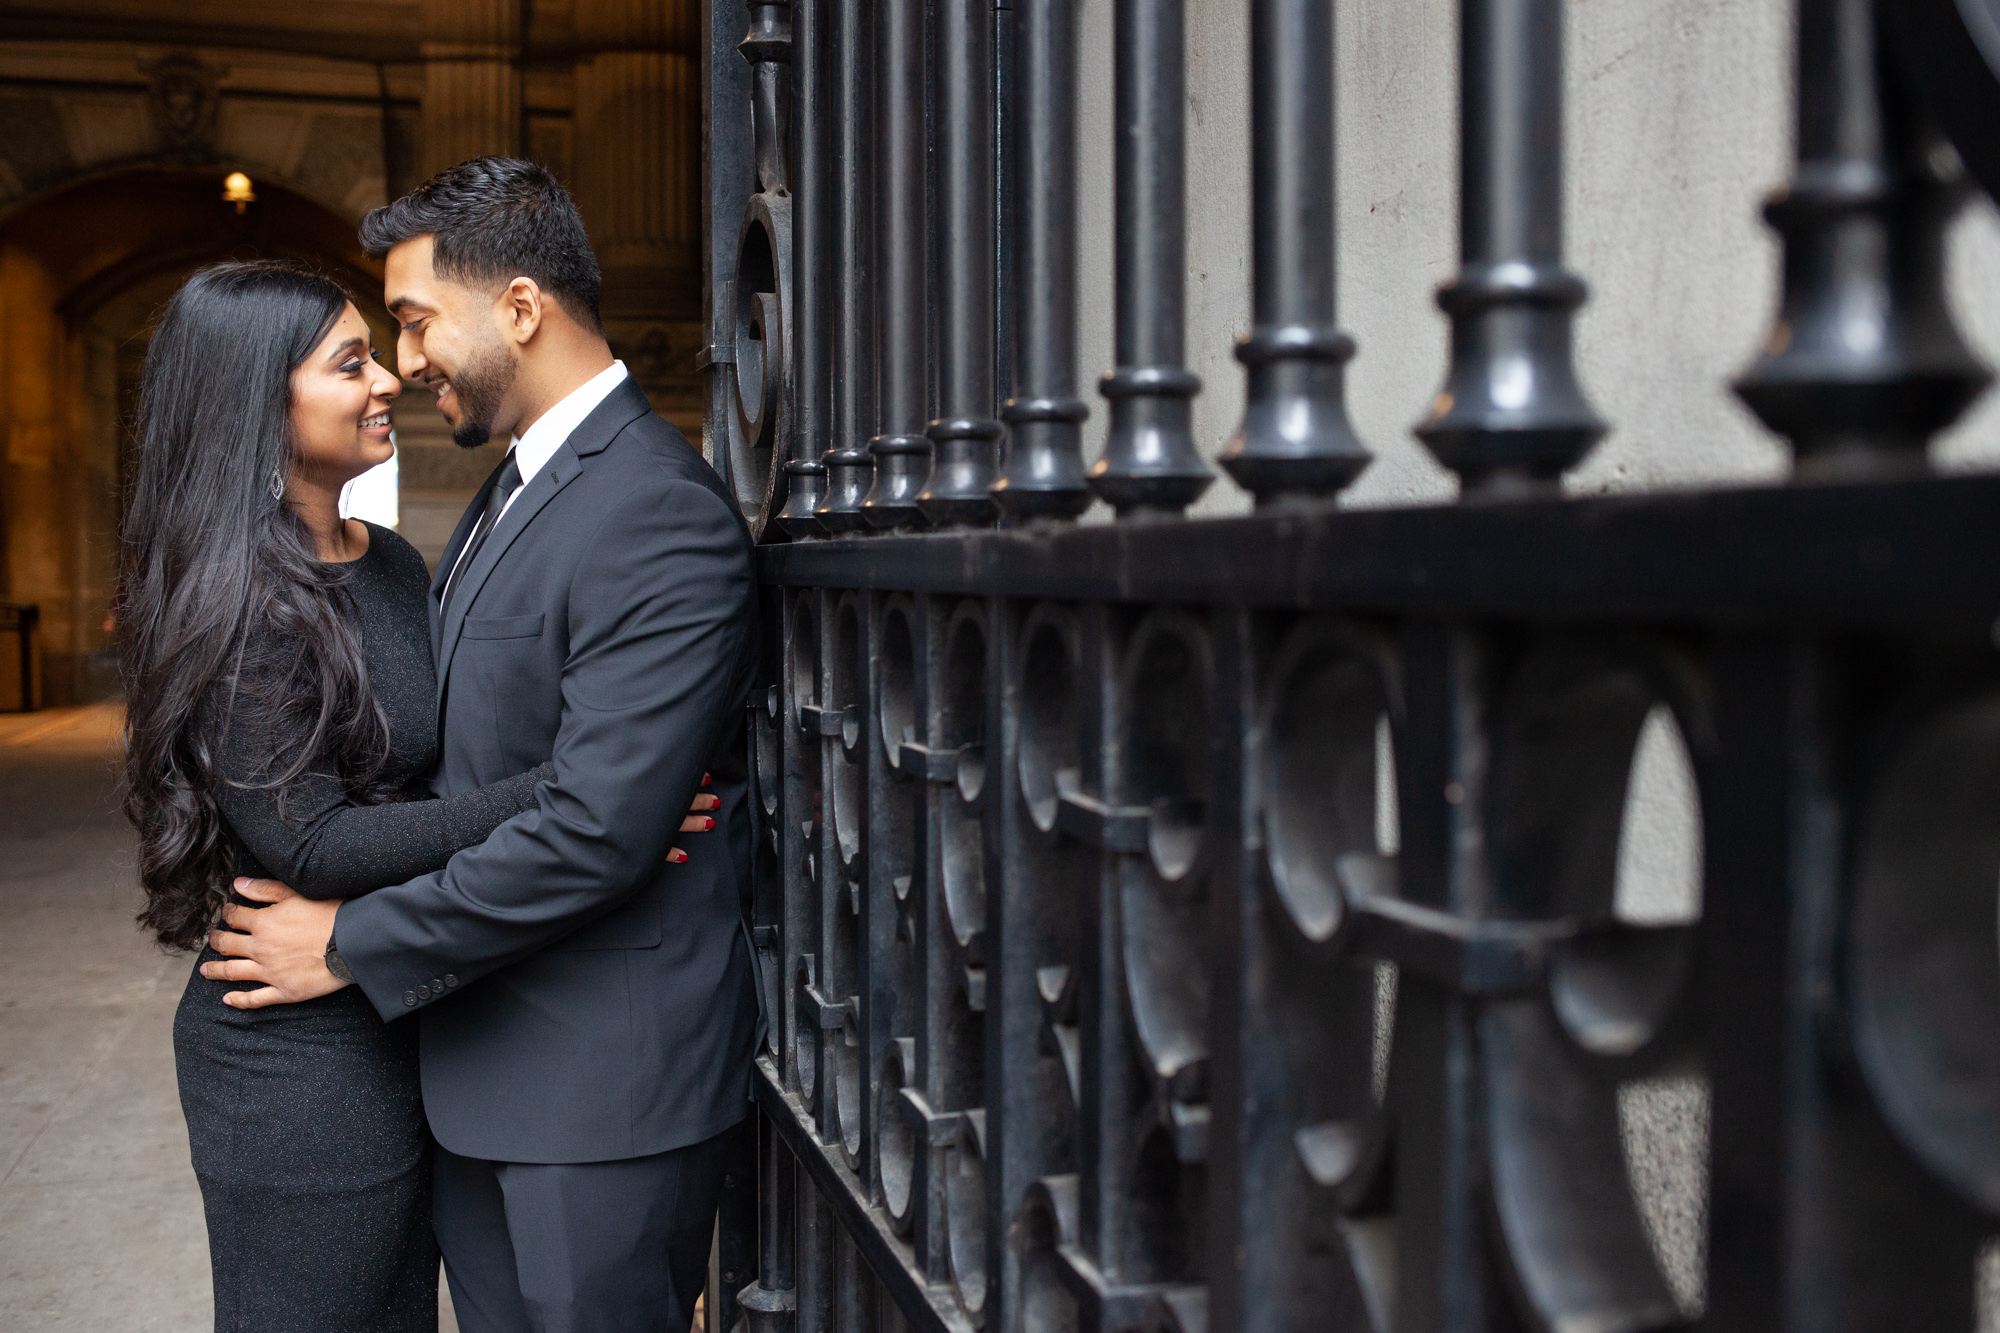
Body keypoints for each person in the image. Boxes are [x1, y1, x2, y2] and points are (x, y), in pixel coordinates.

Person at [204, 158, 764, 1333]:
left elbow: (597, 832)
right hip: (480, 1073)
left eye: (412, 323)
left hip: (600, 1098)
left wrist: (353, 943)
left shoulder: (653, 506)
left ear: (519, 307)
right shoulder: (506, 488)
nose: (405, 364)